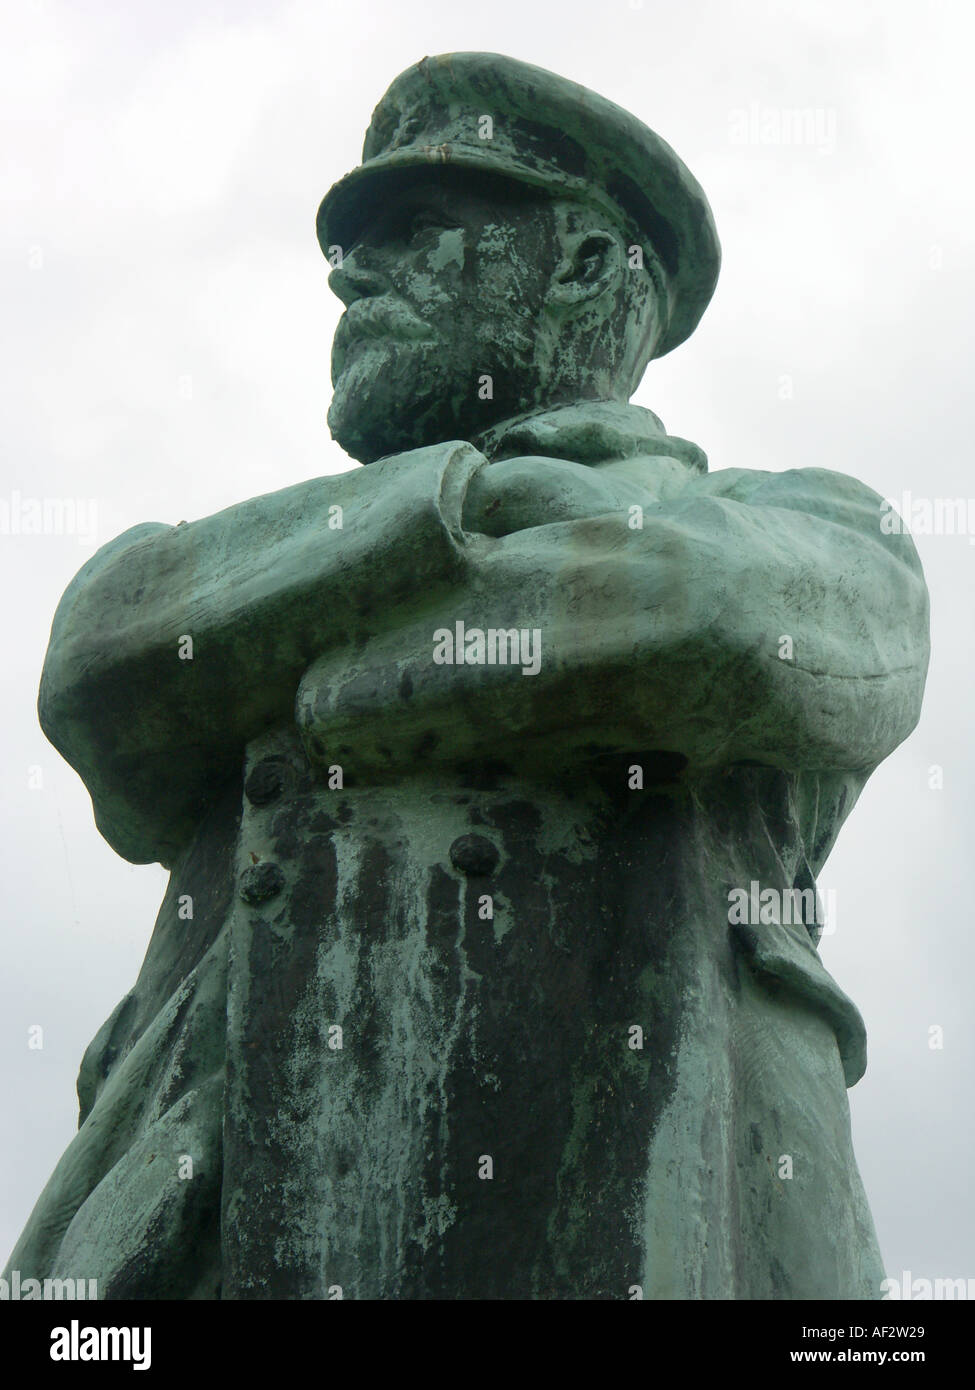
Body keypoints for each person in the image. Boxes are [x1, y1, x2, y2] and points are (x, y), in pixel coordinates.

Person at [5, 52, 929, 1299]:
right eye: (351, 245)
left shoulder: (811, 525)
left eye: (420, 229)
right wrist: (463, 519)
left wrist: (310, 664)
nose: (348, 272)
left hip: (624, 1213)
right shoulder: (262, 543)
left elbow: (708, 617)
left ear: (590, 270)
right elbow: (99, 652)